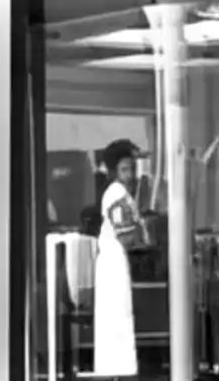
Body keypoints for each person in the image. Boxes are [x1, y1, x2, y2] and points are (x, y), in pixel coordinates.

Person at [93, 139, 146, 379]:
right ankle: (119, 370)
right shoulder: (116, 194)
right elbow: (127, 236)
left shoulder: (124, 194)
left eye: (133, 169)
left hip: (117, 261)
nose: (131, 175)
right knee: (117, 318)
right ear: (114, 172)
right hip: (114, 263)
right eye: (125, 169)